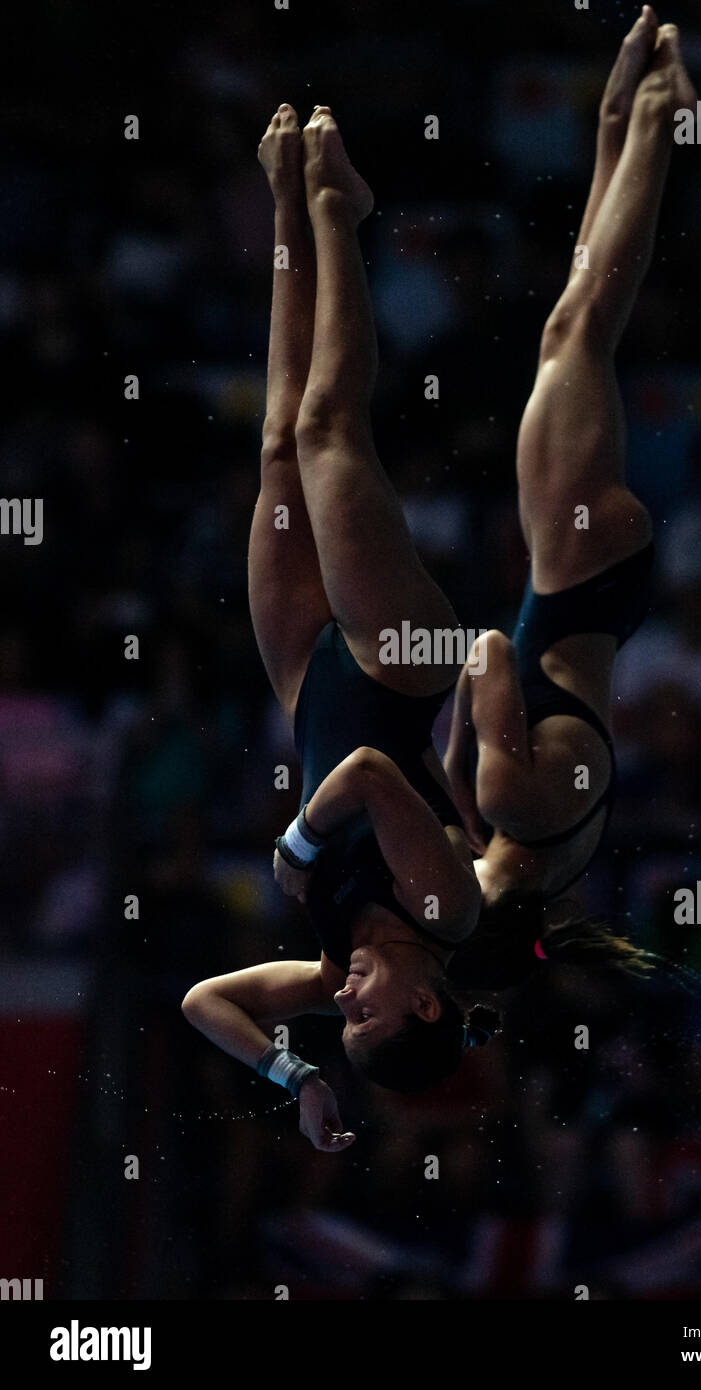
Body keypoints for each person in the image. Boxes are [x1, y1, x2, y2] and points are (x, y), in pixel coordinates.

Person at [184, 103, 488, 1151]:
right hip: (395, 664)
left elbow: (202, 1002)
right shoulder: (447, 912)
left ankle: (283, 197)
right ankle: (337, 213)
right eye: (362, 1015)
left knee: (275, 443)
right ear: (426, 1003)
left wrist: (290, 1070)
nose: (341, 1001)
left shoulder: (326, 962)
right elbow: (365, 770)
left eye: (337, 1022)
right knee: (326, 430)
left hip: (303, 675)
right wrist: (297, 847)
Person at [444, 10, 697, 990]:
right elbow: (487, 651)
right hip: (569, 568)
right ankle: (659, 119)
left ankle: (617, 113)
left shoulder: (569, 856)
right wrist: (462, 766)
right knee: (581, 332)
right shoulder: (508, 804)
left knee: (568, 328)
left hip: (606, 593)